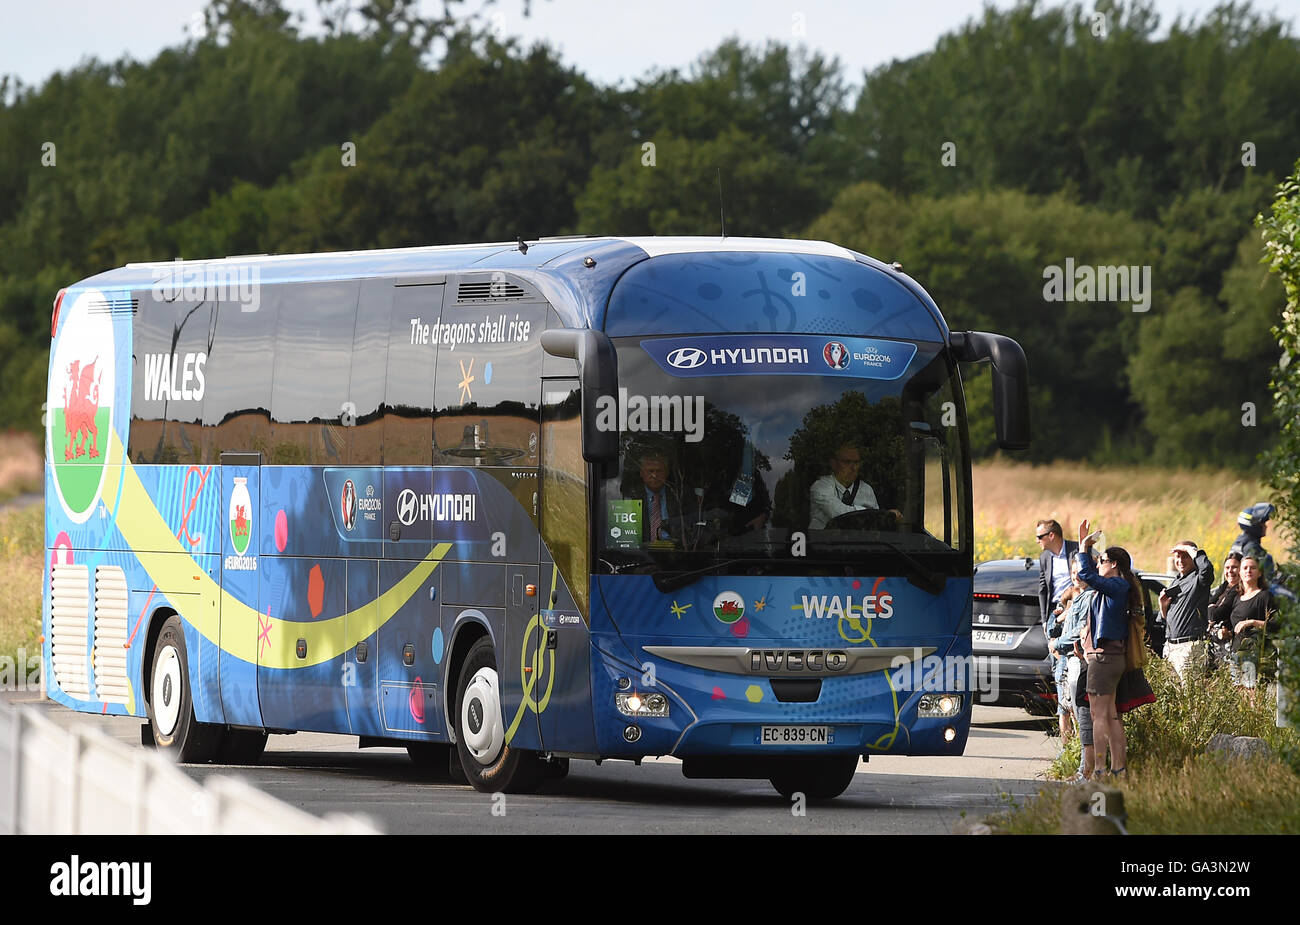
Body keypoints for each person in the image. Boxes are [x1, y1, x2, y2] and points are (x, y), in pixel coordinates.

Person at [1074, 519, 1142, 780]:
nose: (1097, 563)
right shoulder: (1116, 587)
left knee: (1098, 715)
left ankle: (1101, 770)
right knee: (1110, 715)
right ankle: (1118, 769)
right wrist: (1085, 548)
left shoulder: (1117, 586)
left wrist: (1082, 547)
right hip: (1108, 658)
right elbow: (1089, 574)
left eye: (1101, 560)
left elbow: (1086, 575)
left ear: (1113, 564)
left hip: (1104, 659)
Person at [1057, 560, 1097, 779]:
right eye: (1073, 572)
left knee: (1083, 716)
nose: (1076, 576)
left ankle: (1086, 768)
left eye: (1080, 571)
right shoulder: (1076, 597)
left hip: (1079, 659)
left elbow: (1079, 632)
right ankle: (1082, 766)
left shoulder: (1089, 597)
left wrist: (1057, 643)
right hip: (1069, 660)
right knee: (1073, 713)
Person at [1220, 556, 1281, 700]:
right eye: (1245, 568)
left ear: (1259, 573)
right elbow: (1235, 626)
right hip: (1236, 654)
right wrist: (1226, 632)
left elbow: (1277, 626)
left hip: (1255, 655)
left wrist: (1252, 622)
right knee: (1239, 700)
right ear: (1240, 572)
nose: (1248, 571)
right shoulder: (1237, 597)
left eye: (1252, 568)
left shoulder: (1265, 596)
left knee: (1252, 699)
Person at [1158, 540, 1214, 681]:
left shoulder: (1199, 579)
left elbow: (1206, 569)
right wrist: (1163, 606)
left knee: (1190, 696)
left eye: (1185, 556)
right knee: (1174, 697)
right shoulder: (1176, 581)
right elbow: (1165, 619)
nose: (1180, 560)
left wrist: (1191, 549)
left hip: (1190, 646)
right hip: (1171, 646)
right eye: (1178, 556)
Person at [808, 442, 881, 529]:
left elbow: (875, 525)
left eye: (856, 463)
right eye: (847, 462)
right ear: (833, 464)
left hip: (857, 541)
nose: (853, 468)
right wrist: (872, 514)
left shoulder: (867, 490)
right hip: (822, 541)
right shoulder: (821, 486)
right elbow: (839, 512)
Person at [625, 449, 686, 544]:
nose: (654, 475)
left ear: (667, 472)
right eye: (650, 471)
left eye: (659, 471)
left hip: (675, 552)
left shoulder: (679, 496)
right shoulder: (630, 497)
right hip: (642, 554)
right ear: (641, 473)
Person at [1036, 519, 1079, 630]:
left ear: (1051, 535)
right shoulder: (1044, 557)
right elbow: (1042, 589)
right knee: (1053, 645)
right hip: (1054, 610)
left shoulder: (1078, 549)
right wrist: (1044, 619)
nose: (1037, 541)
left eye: (1040, 537)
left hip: (1074, 607)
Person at [1207, 553, 1242, 669]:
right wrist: (1211, 607)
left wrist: (1211, 607)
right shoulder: (1224, 586)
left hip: (1226, 644)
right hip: (1213, 643)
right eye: (1227, 568)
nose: (1230, 571)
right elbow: (1205, 606)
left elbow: (1216, 615)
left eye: (1234, 567)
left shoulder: (1239, 590)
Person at [1231, 502, 1277, 585]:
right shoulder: (1253, 548)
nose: (1266, 526)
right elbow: (1266, 579)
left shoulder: (1240, 541)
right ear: (1254, 526)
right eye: (1262, 524)